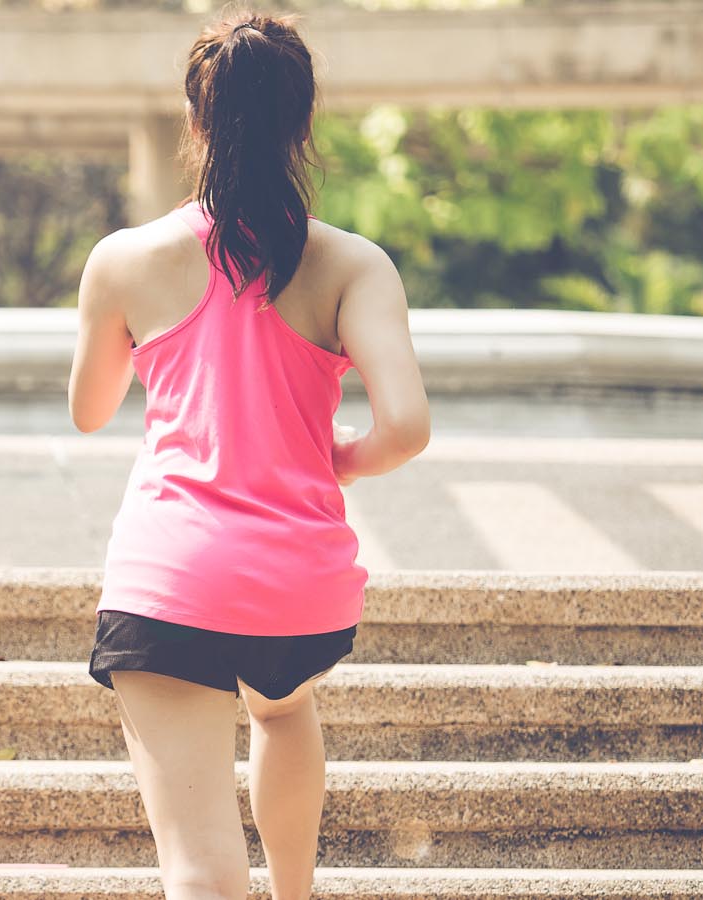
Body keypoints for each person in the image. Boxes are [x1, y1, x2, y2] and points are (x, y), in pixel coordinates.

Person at [67, 7, 432, 900]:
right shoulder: (353, 265)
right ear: (303, 123)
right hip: (299, 579)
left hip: (176, 575)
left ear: (196, 122)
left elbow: (91, 410)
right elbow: (408, 425)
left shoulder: (124, 259)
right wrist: (338, 459)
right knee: (283, 706)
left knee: (198, 867)